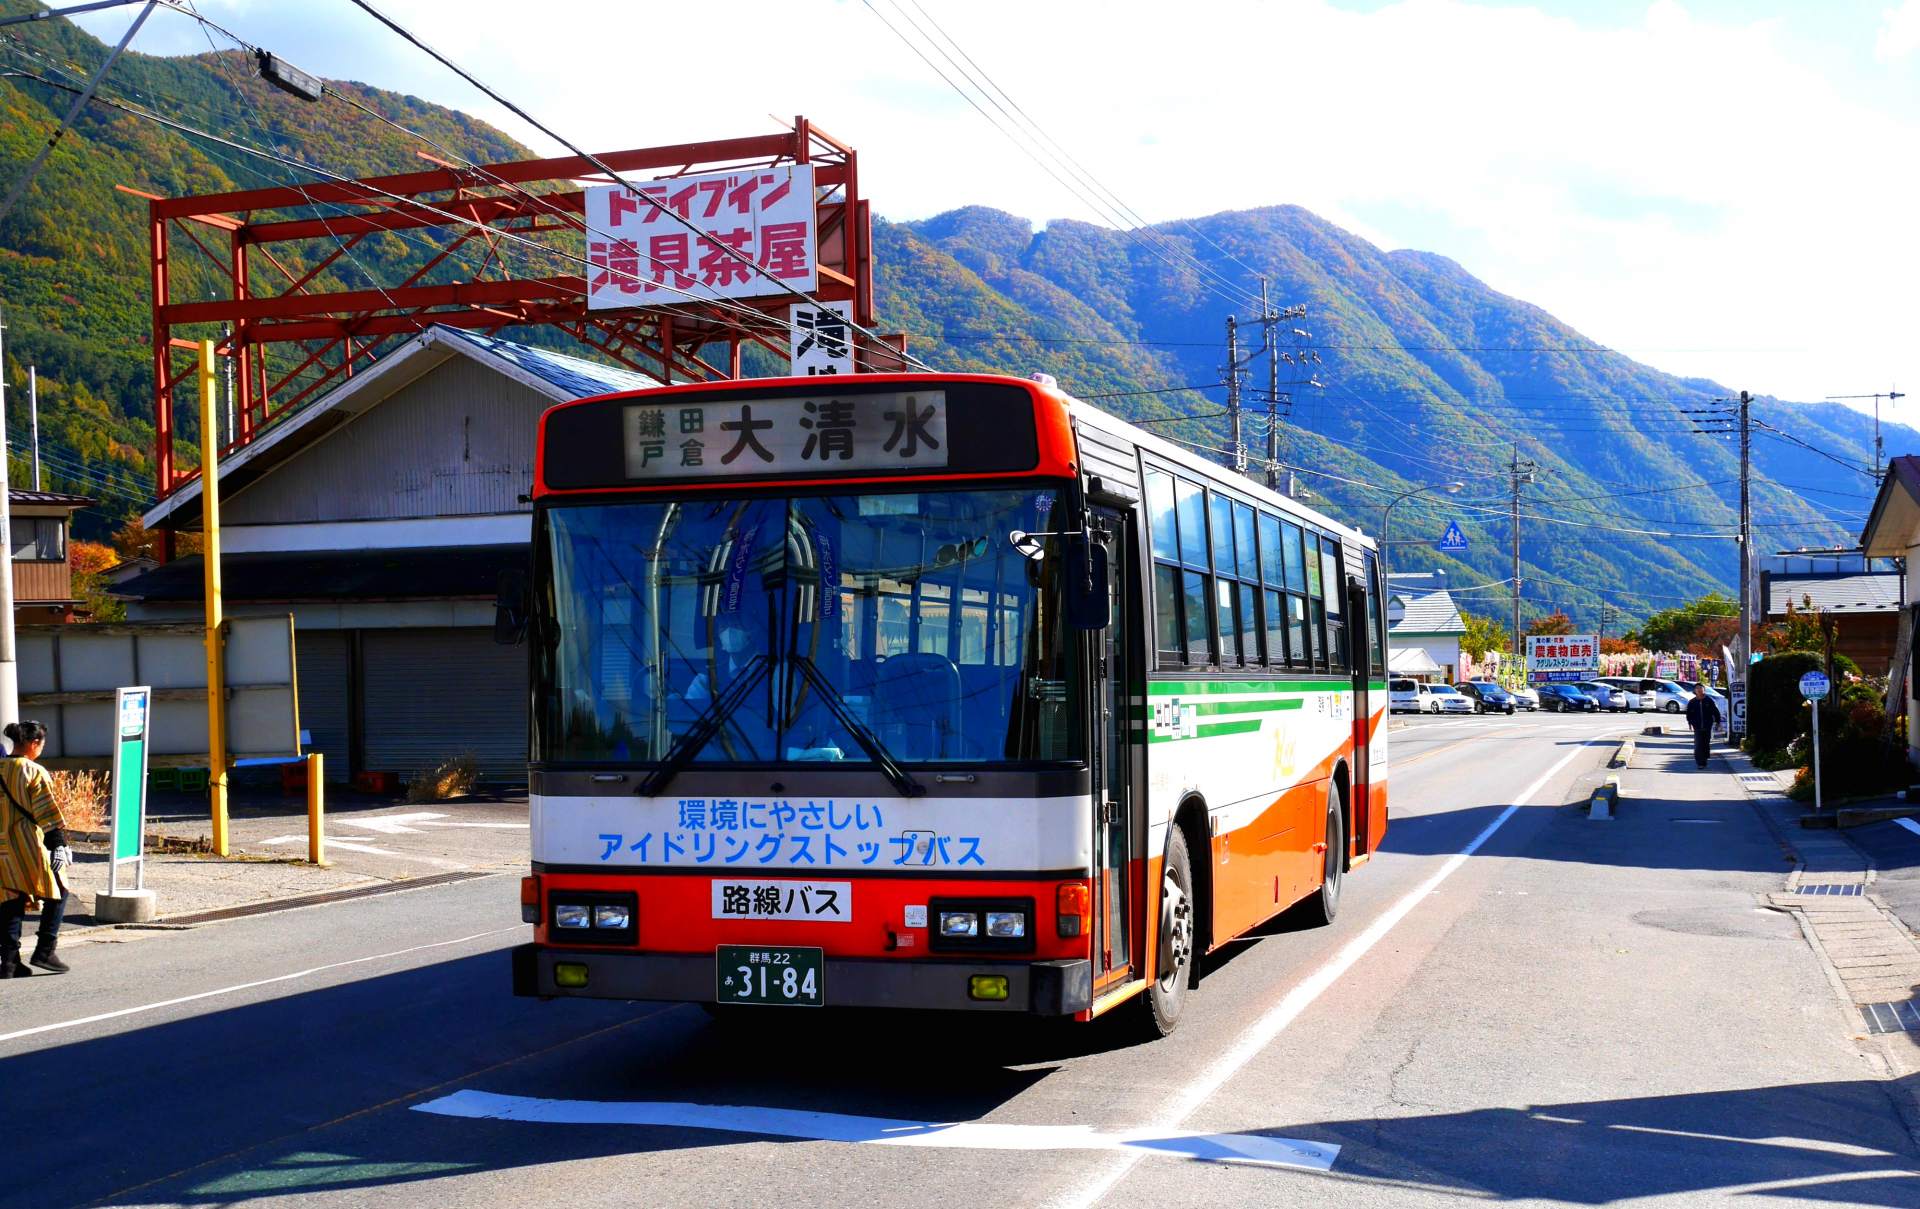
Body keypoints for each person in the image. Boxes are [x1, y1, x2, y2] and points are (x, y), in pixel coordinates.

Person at [0, 721, 73, 977]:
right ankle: (45, 950)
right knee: (59, 889)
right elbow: (47, 812)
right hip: (27, 844)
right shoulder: (33, 771)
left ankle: (9, 962)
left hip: (1, 847)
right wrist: (59, 845)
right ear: (33, 744)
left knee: (10, 898)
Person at [1684, 683, 1721, 770]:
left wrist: (1718, 722)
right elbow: (1689, 714)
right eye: (1697, 689)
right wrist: (1690, 722)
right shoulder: (1692, 702)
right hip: (1697, 727)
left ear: (1704, 690)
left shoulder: (1709, 700)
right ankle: (1700, 762)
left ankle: (1704, 759)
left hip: (1707, 725)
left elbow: (1715, 712)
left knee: (1705, 744)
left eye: (1701, 688)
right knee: (1698, 744)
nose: (1699, 690)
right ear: (1695, 691)